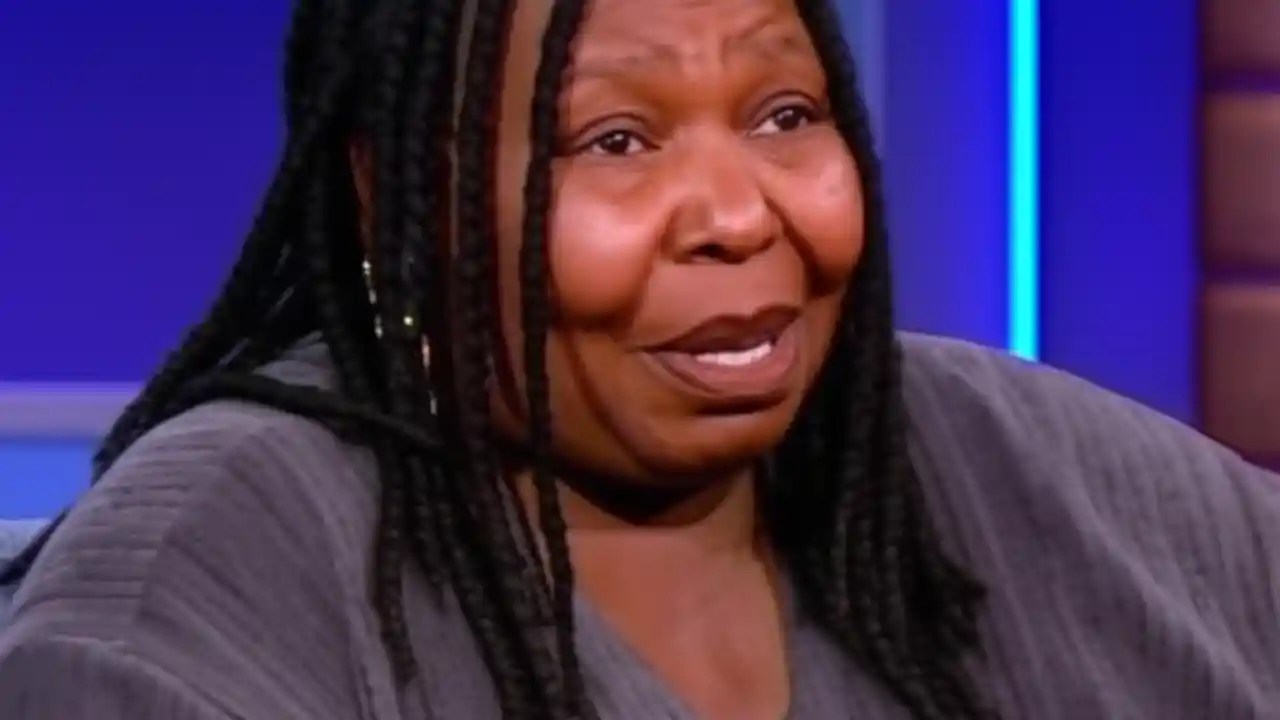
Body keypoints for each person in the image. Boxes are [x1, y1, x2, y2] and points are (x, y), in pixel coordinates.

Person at [1, 0, 1277, 717]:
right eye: (615, 140)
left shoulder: (1009, 456)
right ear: (404, 197)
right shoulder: (210, 576)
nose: (737, 214)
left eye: (784, 116)